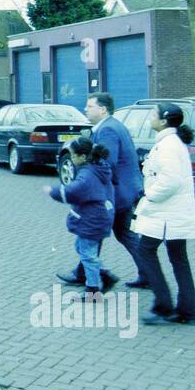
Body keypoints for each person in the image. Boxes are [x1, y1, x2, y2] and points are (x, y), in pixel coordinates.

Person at [58, 92, 143, 289]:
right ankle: (147, 272)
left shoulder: (108, 130)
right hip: (123, 190)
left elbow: (107, 161)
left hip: (117, 193)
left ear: (103, 109)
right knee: (121, 233)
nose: (85, 109)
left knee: (95, 232)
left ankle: (93, 278)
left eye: (90, 106)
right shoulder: (110, 126)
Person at [133, 103, 195, 325]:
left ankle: (164, 306)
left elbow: (170, 180)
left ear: (163, 121)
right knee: (178, 258)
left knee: (145, 251)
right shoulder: (170, 142)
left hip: (165, 213)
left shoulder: (168, 145)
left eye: (153, 114)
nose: (150, 117)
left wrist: (149, 194)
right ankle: (186, 311)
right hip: (173, 214)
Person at [44, 137, 116, 296]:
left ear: (83, 157)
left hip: (92, 219)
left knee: (88, 255)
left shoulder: (87, 175)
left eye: (73, 156)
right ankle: (103, 273)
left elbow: (73, 191)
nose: (71, 159)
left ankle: (92, 290)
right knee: (82, 248)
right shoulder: (99, 167)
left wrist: (53, 191)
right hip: (101, 216)